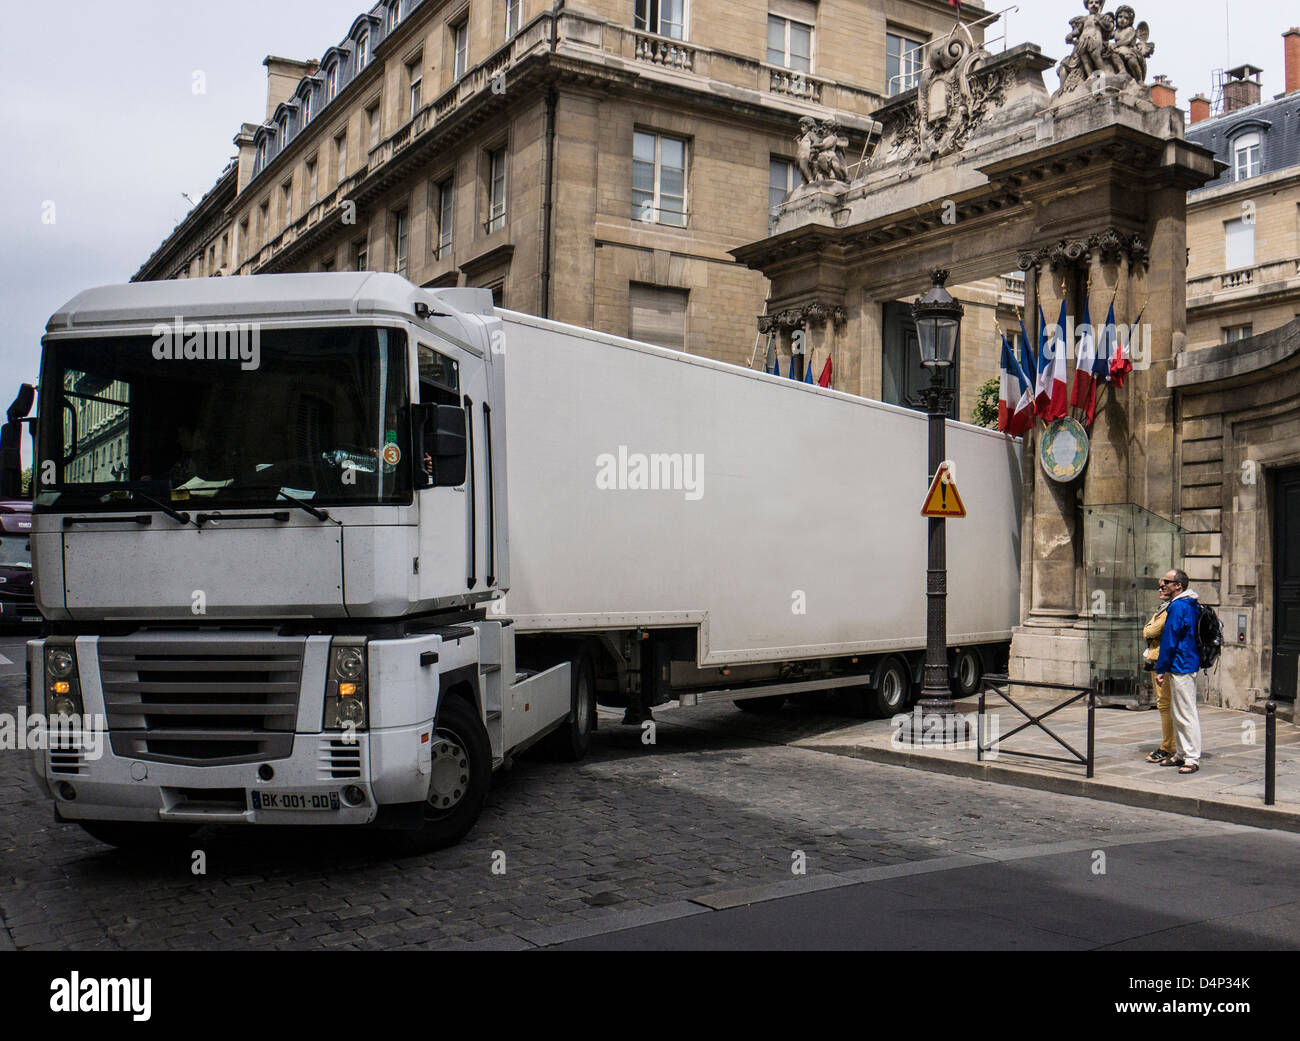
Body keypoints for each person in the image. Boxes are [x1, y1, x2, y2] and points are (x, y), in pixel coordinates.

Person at [1153, 568, 1202, 774]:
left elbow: (1170, 638)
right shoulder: (1188, 604)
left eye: (1167, 581)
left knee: (1186, 712)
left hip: (1182, 663)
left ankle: (1191, 757)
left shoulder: (1179, 606)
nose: (1162, 584)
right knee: (1178, 710)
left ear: (1178, 586)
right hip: (1183, 662)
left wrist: (1161, 668)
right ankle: (1181, 753)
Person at [1141, 581, 1176, 764]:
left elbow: (1151, 630)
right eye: (1159, 586)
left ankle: (1168, 746)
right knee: (1164, 704)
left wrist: (1148, 630)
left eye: (1164, 585)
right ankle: (1170, 744)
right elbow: (1148, 630)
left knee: (1165, 705)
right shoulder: (1162, 608)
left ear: (1176, 587)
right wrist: (1148, 630)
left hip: (1162, 661)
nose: (1160, 589)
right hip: (1157, 659)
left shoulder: (1170, 608)